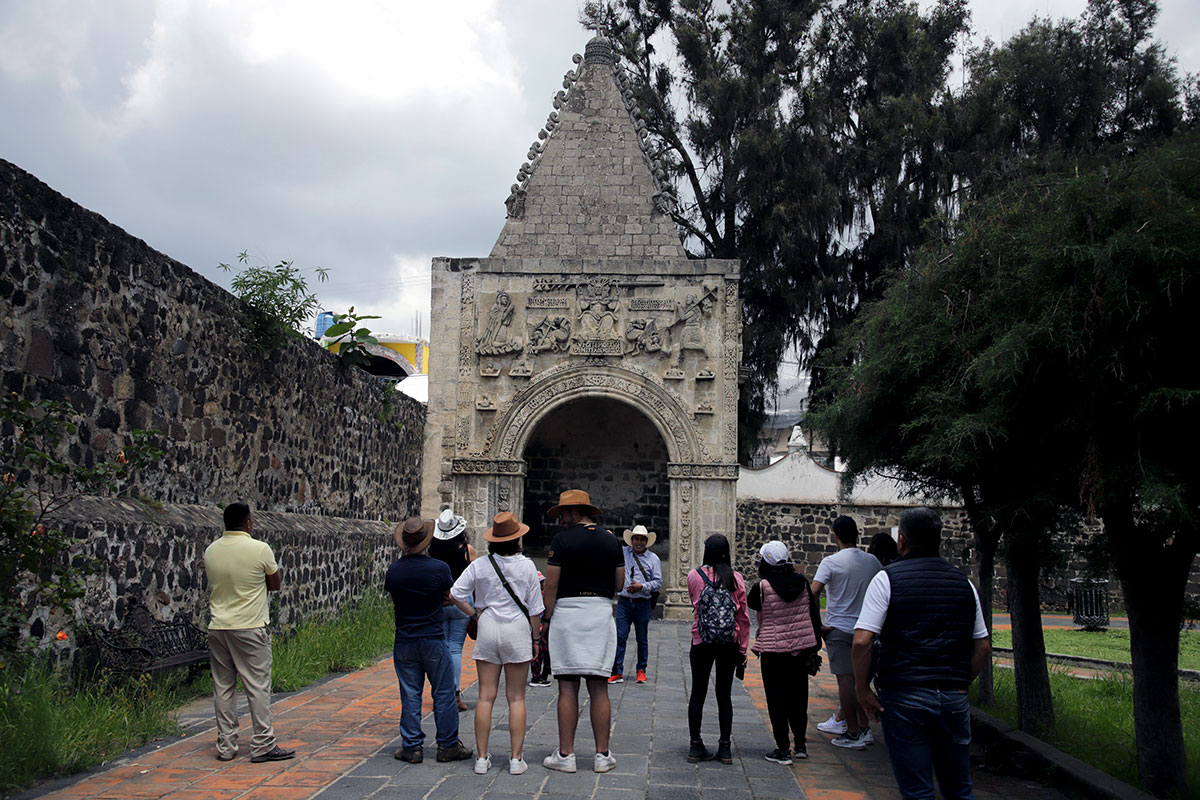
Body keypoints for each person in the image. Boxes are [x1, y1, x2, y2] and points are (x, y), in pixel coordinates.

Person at [853, 507, 991, 800]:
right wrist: (958, 681)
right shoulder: (963, 583)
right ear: (939, 540)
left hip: (905, 695)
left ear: (901, 540)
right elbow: (982, 646)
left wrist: (862, 687)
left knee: (917, 790)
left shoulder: (887, 579)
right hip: (953, 696)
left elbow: (863, 641)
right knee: (959, 788)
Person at [450, 512, 544, 776]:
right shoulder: (526, 566)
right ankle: (516, 759)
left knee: (485, 696)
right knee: (516, 697)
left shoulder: (481, 564)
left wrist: (474, 613)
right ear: (517, 540)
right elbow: (535, 608)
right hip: (517, 628)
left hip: (488, 625)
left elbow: (455, 593)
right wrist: (536, 639)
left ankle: (481, 758)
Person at [540, 489, 624, 774]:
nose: (561, 519)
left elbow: (551, 585)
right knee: (599, 686)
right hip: (599, 612)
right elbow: (619, 585)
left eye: (563, 513)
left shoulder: (562, 541)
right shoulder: (612, 540)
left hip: (567, 613)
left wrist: (546, 618)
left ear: (575, 511)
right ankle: (602, 755)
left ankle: (566, 754)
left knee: (567, 685)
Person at [203, 502, 295, 763]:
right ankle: (263, 743)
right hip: (250, 625)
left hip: (218, 626)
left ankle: (226, 745)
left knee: (223, 687)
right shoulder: (259, 549)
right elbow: (275, 584)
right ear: (248, 523)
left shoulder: (211, 551)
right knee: (256, 686)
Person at [384, 516, 473, 765]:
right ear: (426, 541)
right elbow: (447, 596)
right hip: (433, 636)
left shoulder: (395, 570)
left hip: (405, 637)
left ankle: (412, 746)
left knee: (411, 692)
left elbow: (394, 596)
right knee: (443, 692)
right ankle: (447, 744)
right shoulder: (439, 568)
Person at [748, 541, 822, 765]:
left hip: (773, 650)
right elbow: (812, 612)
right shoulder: (801, 582)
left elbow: (753, 604)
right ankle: (800, 744)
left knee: (776, 698)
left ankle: (782, 749)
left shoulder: (761, 587)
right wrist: (815, 645)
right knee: (799, 697)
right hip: (799, 649)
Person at [810, 515, 881, 749]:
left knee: (846, 682)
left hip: (838, 627)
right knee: (861, 680)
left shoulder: (831, 562)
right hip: (867, 629)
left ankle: (852, 731)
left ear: (834, 534)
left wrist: (817, 624)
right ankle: (864, 728)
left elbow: (813, 593)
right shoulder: (872, 562)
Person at [685, 533, 750, 765]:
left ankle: (695, 746)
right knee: (724, 695)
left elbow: (695, 604)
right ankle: (724, 748)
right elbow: (743, 617)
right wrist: (742, 649)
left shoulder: (694, 575)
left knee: (697, 693)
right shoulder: (737, 578)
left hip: (701, 641)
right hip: (728, 644)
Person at [429, 507, 478, 711]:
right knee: (455, 648)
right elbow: (476, 579)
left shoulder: (432, 551)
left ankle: (441, 693)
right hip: (462, 601)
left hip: (439, 601)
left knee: (441, 649)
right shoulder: (467, 550)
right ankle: (455, 694)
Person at [609, 524, 663, 685]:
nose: (639, 542)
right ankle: (617, 671)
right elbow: (612, 545)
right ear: (631, 540)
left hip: (642, 602)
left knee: (642, 638)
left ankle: (641, 670)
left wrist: (642, 587)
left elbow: (658, 582)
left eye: (642, 539)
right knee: (620, 636)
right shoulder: (624, 553)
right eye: (636, 539)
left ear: (646, 542)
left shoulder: (653, 559)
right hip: (625, 602)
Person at [528, 570, 553, 687]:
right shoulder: (537, 596)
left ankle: (545, 672)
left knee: (544, 652)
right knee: (538, 653)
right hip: (538, 628)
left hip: (542, 627)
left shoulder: (541, 595)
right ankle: (536, 676)